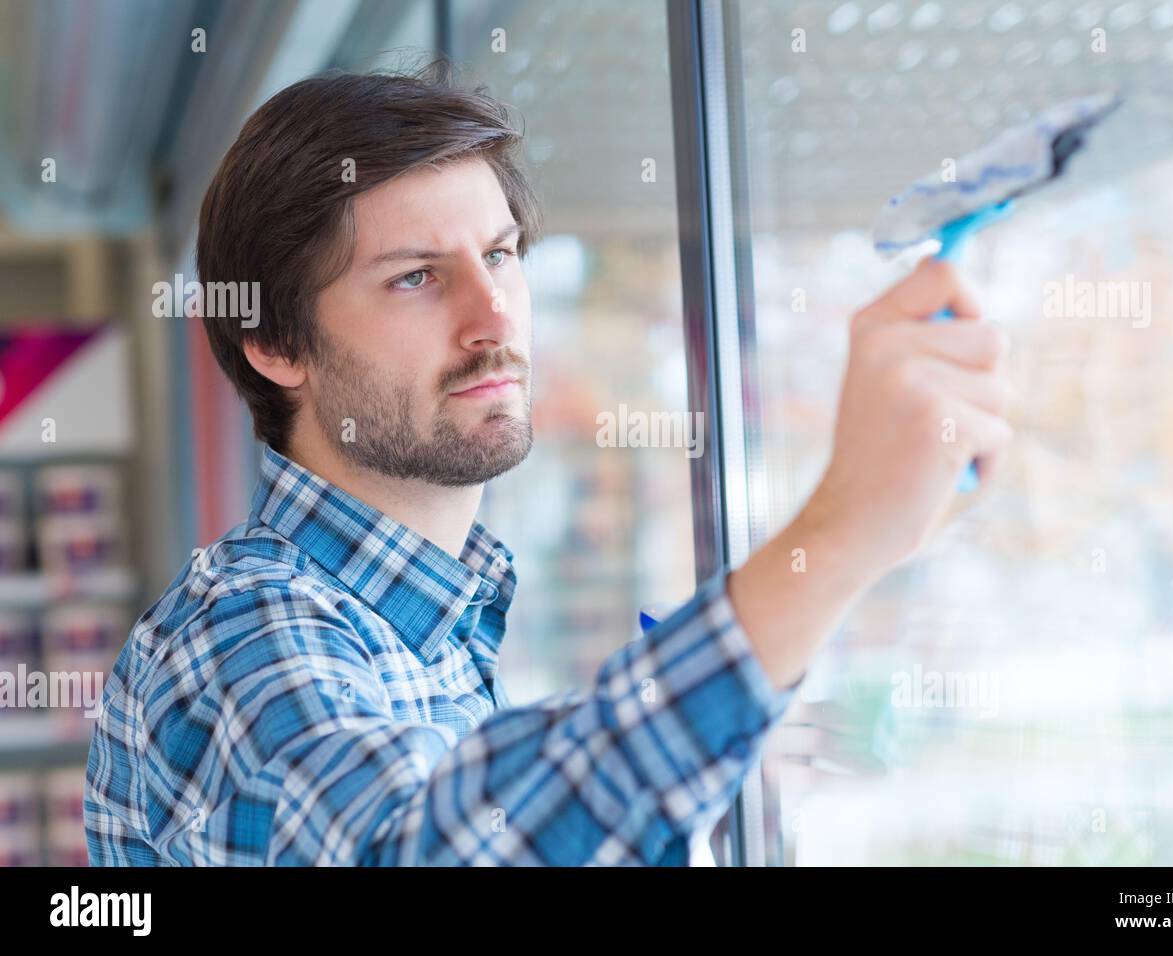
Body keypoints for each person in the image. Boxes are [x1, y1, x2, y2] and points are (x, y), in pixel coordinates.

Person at [85, 63, 1014, 865]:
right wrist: (837, 539)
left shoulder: (432, 620)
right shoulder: (235, 636)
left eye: (499, 255)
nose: (496, 318)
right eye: (416, 276)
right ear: (276, 344)